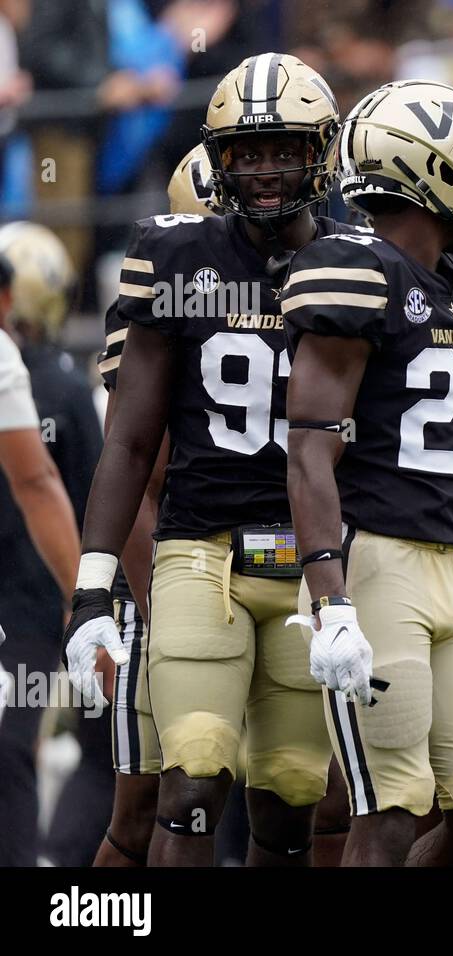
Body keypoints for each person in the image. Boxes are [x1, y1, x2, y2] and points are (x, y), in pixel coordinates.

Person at [62, 53, 348, 867]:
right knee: (187, 784)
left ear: (320, 151)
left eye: (282, 148)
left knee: (293, 796)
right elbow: (130, 439)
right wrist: (93, 584)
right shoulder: (174, 252)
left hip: (312, 563)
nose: (261, 170)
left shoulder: (358, 259)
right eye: (243, 152)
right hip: (200, 552)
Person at [282, 79, 453, 867]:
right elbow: (310, 446)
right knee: (389, 807)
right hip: (375, 561)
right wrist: (331, 600)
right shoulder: (354, 272)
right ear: (428, 174)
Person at [86, 144, 214, 868]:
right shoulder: (157, 313)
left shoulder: (302, 292)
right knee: (150, 807)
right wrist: (160, 612)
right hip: (178, 576)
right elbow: (135, 471)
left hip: (273, 574)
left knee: (309, 793)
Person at [0, 237, 81, 867]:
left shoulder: (59, 387)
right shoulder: (56, 382)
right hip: (30, 597)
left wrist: (82, 598)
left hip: (27, 599)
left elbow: (62, 488)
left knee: (10, 749)